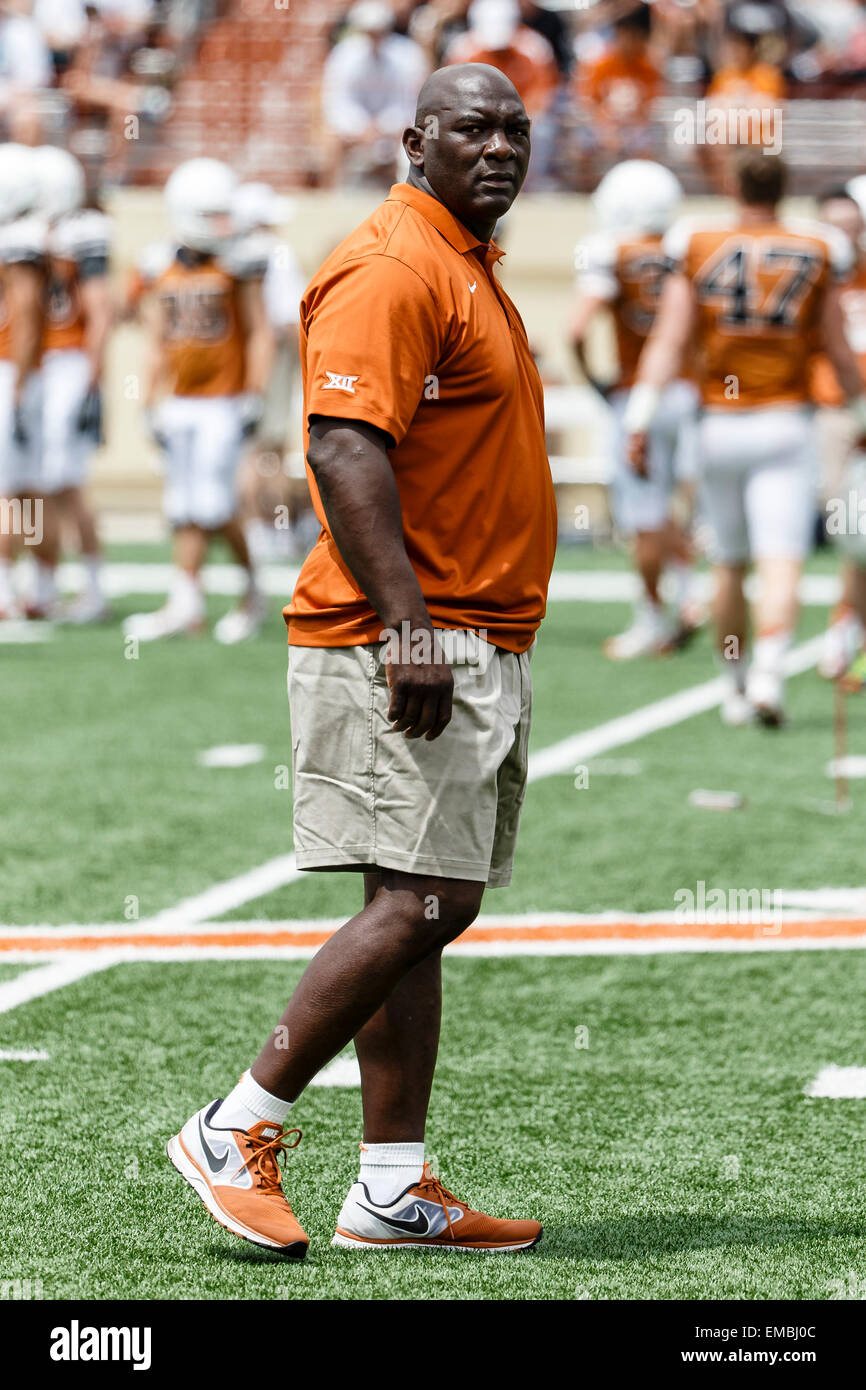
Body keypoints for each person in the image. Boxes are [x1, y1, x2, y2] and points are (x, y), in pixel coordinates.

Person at [167, 62, 556, 1257]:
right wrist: (408, 625)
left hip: (461, 630)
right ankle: (240, 1122)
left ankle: (390, 1185)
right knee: (426, 898)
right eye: (470, 128)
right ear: (411, 138)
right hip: (406, 635)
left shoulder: (460, 258)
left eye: (513, 129)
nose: (496, 147)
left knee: (417, 900)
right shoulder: (393, 263)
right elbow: (342, 448)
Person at [625, 151, 866, 726]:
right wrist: (861, 417)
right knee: (782, 558)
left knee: (729, 562)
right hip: (785, 420)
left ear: (733, 187)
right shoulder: (816, 249)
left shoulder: (699, 243)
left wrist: (639, 415)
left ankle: (734, 683)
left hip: (718, 422)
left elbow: (669, 340)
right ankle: (769, 675)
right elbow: (838, 351)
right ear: (785, 190)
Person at [124, 158, 274, 644]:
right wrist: (149, 401)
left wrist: (254, 394)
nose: (223, 224)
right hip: (181, 400)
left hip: (224, 400)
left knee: (213, 502)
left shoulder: (238, 260)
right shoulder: (158, 263)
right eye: (212, 214)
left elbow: (258, 332)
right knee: (183, 503)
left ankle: (251, 589)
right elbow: (156, 340)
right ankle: (186, 600)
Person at [570, 159, 700, 659]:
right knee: (668, 503)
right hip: (686, 392)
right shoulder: (683, 248)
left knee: (643, 513)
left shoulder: (611, 252)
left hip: (636, 393)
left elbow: (577, 328)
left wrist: (596, 381)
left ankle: (652, 619)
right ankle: (689, 593)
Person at [29, 145, 112, 623]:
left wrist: (90, 383)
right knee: (35, 483)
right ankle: (43, 583)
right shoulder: (33, 232)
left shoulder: (82, 232)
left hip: (68, 363)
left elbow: (99, 313)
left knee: (66, 482)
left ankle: (94, 585)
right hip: (43, 365)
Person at [811, 186, 866, 686]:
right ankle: (848, 626)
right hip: (834, 414)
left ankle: (846, 631)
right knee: (851, 532)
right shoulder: (817, 273)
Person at [0, 141, 45, 620]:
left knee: (9, 488)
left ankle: (7, 590)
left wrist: (17, 382)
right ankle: (34, 586)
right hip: (18, 370)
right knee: (23, 488)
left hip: (11, 369)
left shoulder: (19, 242)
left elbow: (28, 314)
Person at [321, 0, 429, 185]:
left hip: (395, 127)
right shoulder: (343, 56)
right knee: (330, 140)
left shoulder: (408, 55)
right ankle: (330, 195)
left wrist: (386, 126)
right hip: (356, 129)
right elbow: (338, 102)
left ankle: (404, 192)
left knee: (412, 140)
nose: (374, 37)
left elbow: (409, 102)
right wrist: (361, 128)